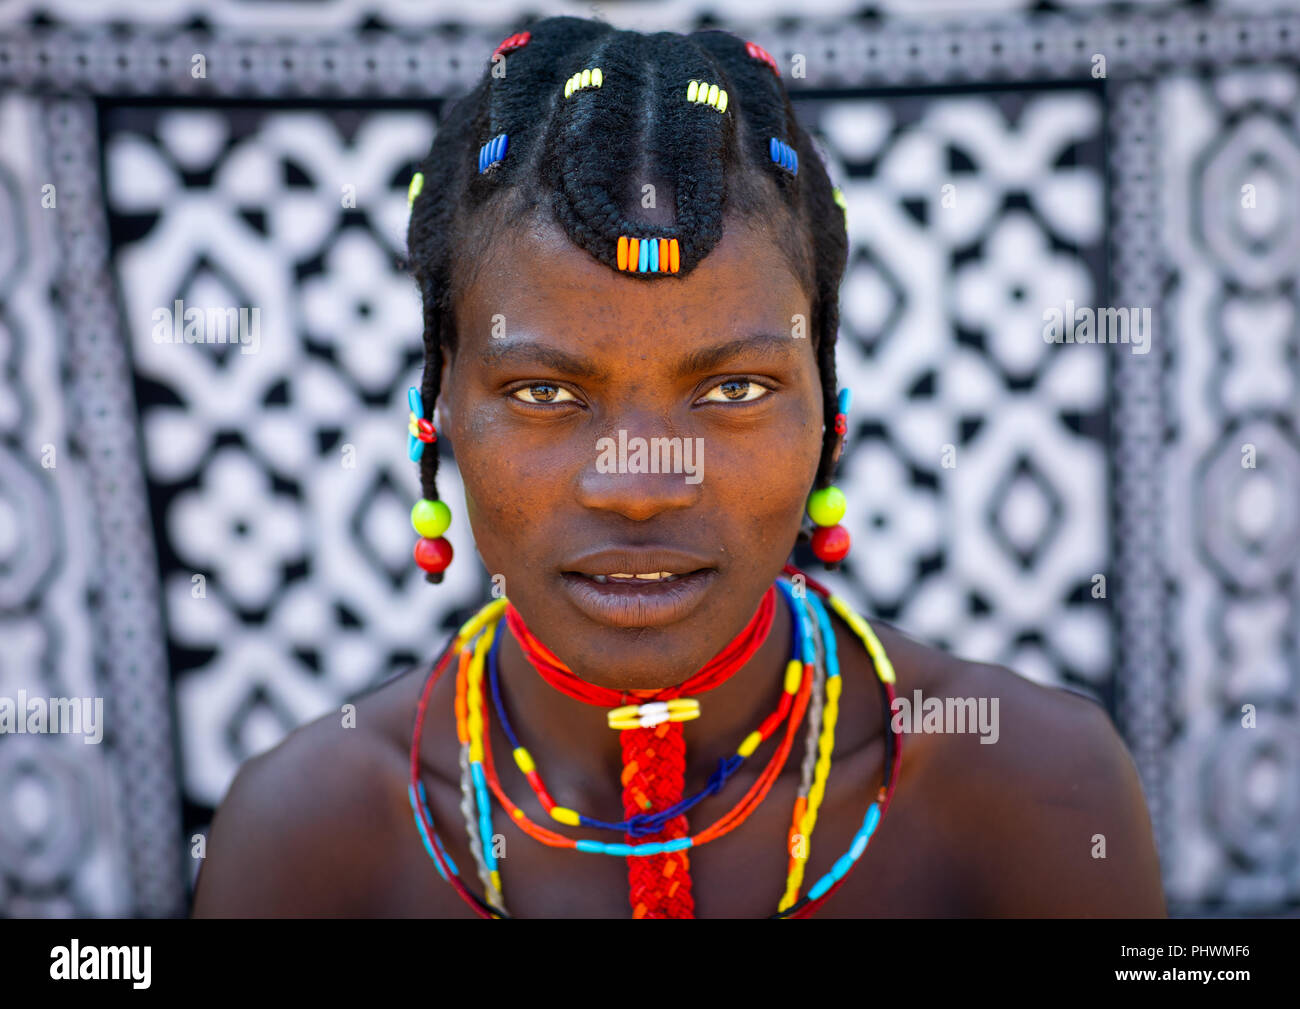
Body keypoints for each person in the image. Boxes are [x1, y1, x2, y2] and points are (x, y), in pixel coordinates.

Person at [191, 15, 1166, 918]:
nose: (641, 482)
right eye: (543, 392)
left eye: (733, 389)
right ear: (436, 409)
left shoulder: (1033, 788)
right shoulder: (306, 838)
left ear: (828, 411)